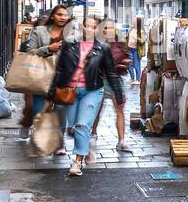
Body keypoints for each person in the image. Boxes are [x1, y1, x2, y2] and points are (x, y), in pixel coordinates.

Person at [51, 13, 122, 177]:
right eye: (86, 25)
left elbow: (111, 73)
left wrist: (118, 94)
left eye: (93, 27)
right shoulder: (69, 44)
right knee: (74, 127)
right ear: (81, 26)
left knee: (83, 125)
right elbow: (59, 69)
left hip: (92, 91)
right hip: (70, 91)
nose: (89, 29)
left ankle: (77, 161)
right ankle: (84, 147)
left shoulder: (103, 48)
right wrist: (52, 91)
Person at [20, 5, 78, 154]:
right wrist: (48, 49)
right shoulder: (40, 31)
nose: (62, 17)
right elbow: (29, 52)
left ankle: (59, 144)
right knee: (40, 110)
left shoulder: (72, 34)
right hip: (42, 77)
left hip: (63, 78)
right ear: (53, 16)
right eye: (59, 14)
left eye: (65, 15)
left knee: (60, 111)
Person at [90, 19, 133, 153]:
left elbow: (126, 58)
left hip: (115, 80)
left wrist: (125, 63)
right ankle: (93, 135)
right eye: (106, 28)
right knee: (96, 110)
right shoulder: (95, 44)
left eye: (111, 28)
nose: (109, 31)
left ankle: (121, 141)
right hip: (100, 79)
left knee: (119, 109)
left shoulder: (119, 43)